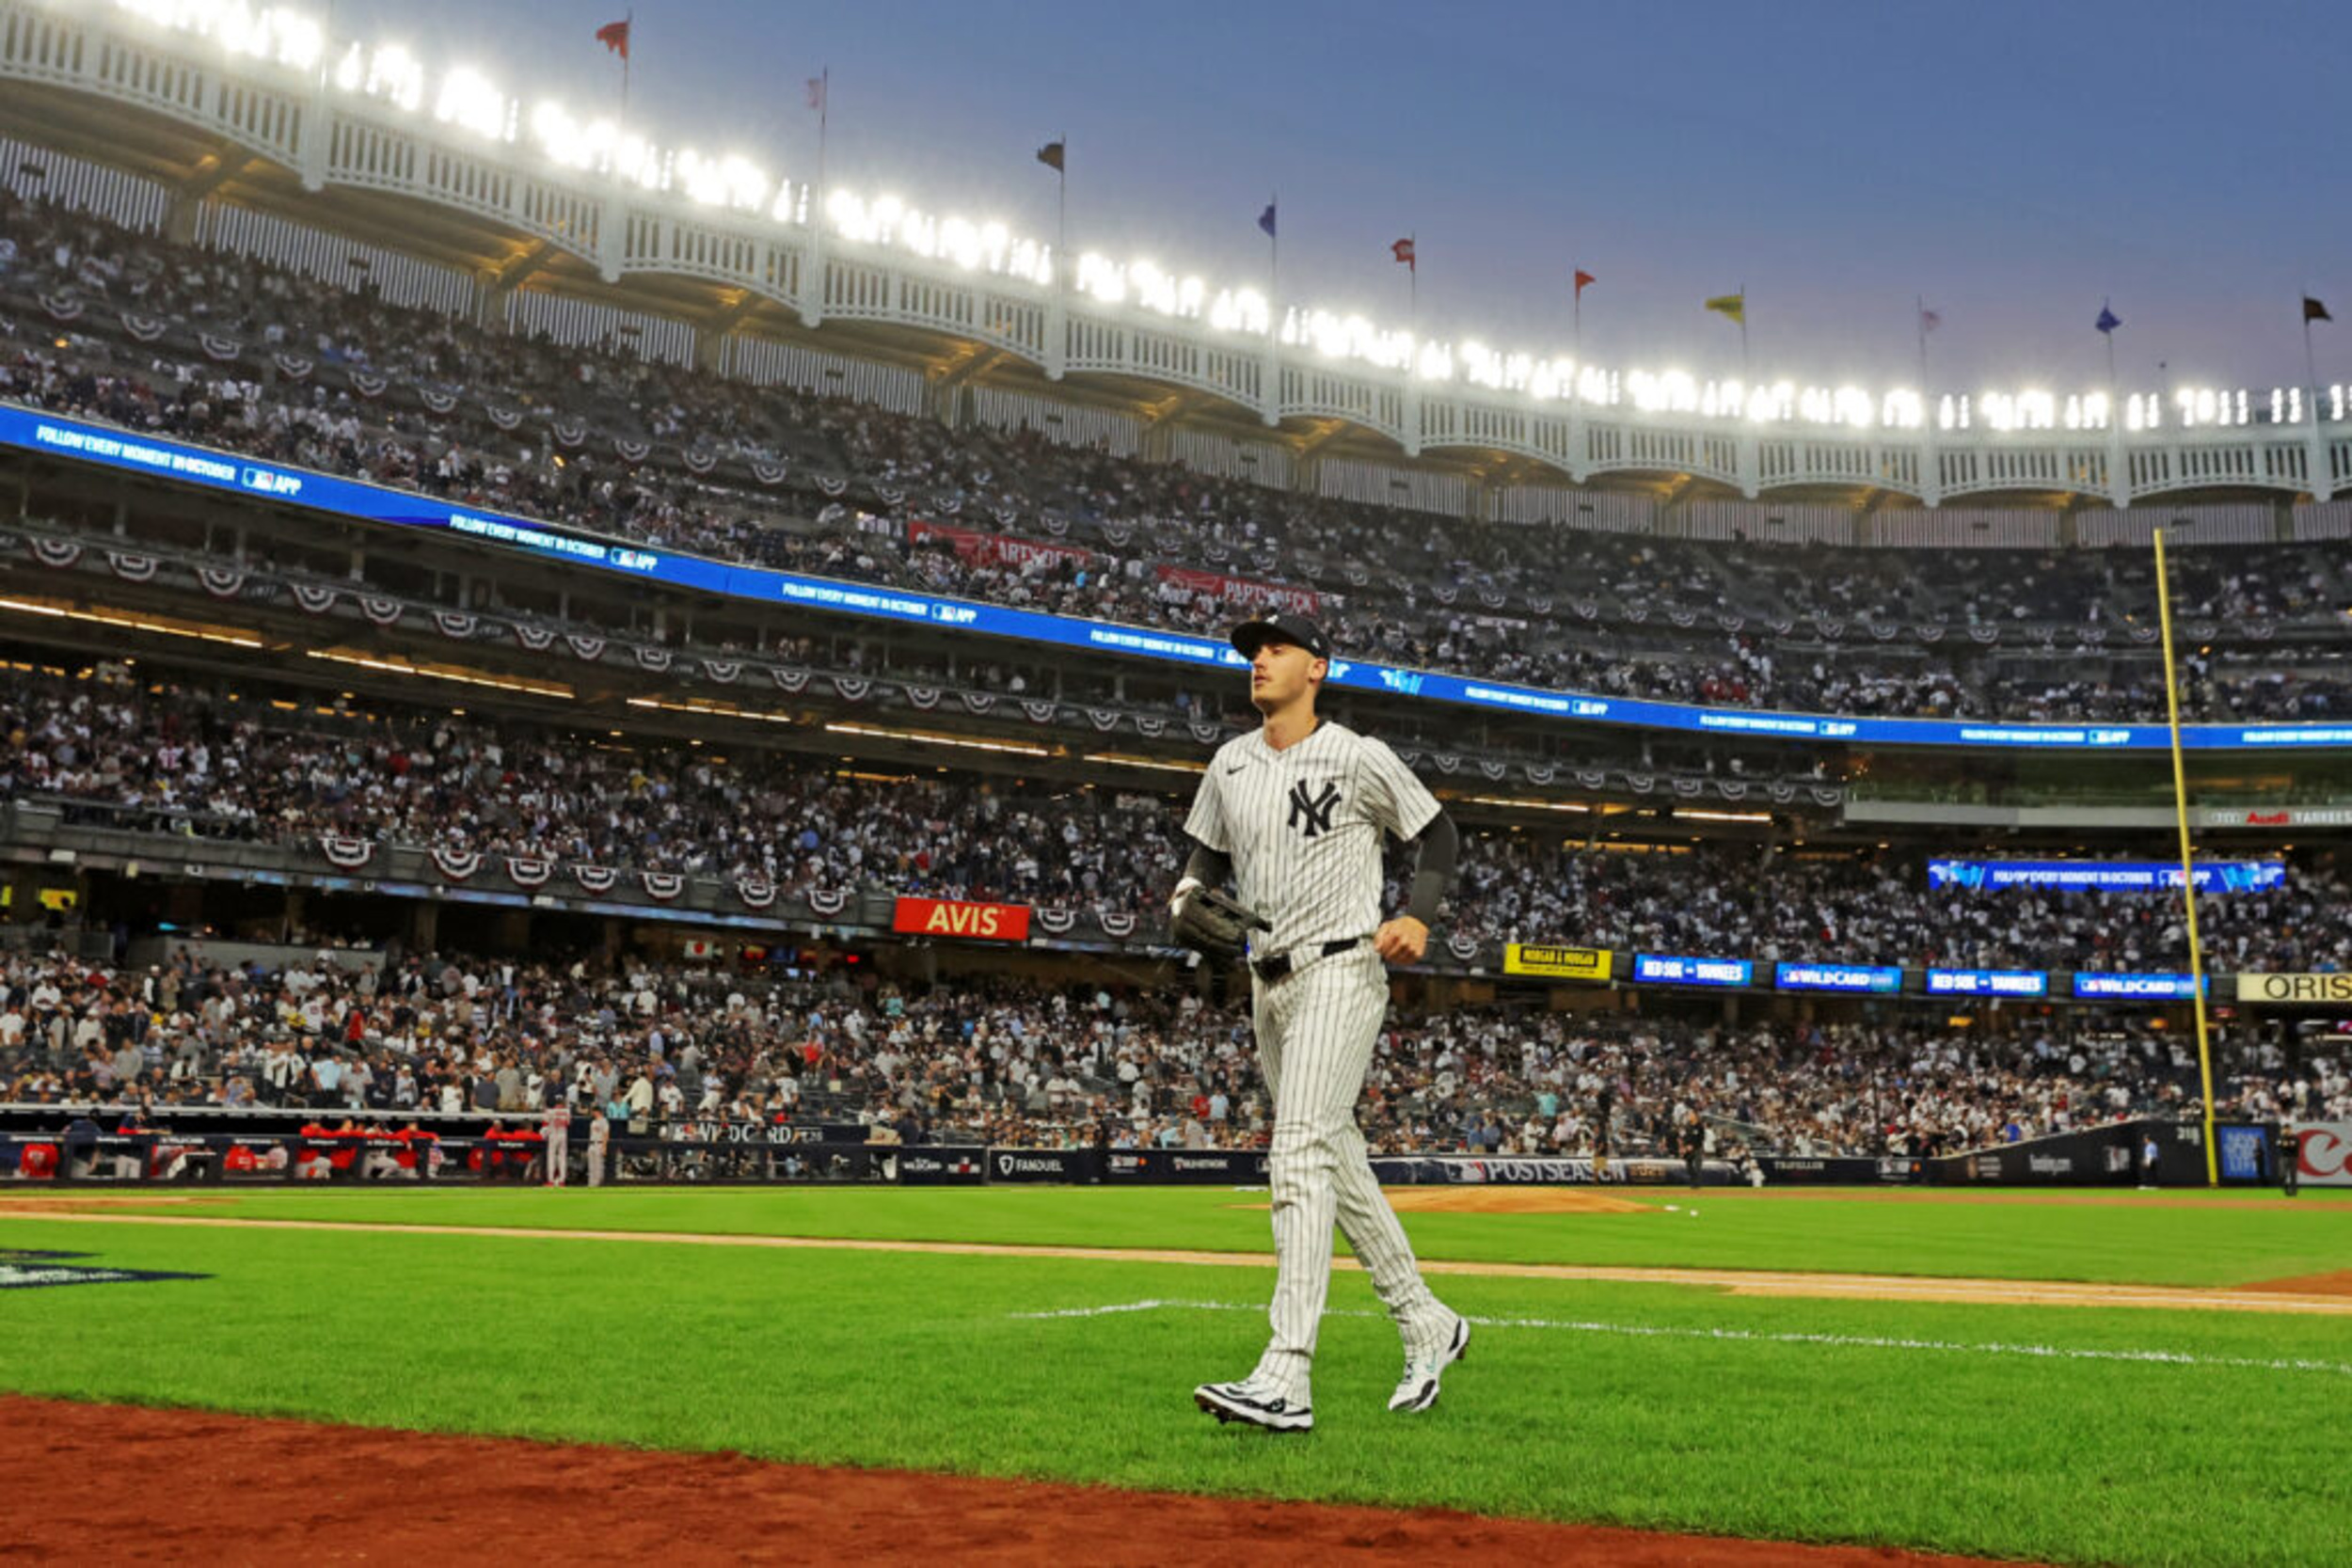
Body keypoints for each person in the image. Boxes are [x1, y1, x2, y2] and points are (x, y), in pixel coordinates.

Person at [1174, 611, 1468, 1433]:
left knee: (1297, 1151)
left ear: (1318, 669)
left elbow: (1437, 830)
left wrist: (1418, 915)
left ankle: (1286, 1372)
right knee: (1336, 1159)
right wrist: (1182, 896)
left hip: (1342, 964)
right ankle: (1425, 1320)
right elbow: (1205, 853)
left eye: (1275, 649)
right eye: (1251, 652)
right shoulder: (1230, 761)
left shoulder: (1356, 753)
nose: (1258, 659)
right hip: (1268, 983)